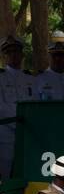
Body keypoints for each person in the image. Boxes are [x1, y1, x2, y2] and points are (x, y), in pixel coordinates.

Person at [0, 36, 33, 177]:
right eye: (9, 52)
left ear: (22, 55)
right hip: (6, 135)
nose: (13, 55)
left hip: (29, 132)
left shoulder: (31, 78)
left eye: (16, 52)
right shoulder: (1, 77)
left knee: (28, 168)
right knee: (6, 173)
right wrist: (19, 120)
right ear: (4, 56)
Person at [33, 33, 64, 100]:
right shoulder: (39, 80)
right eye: (54, 55)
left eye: (61, 55)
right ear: (49, 57)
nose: (57, 59)